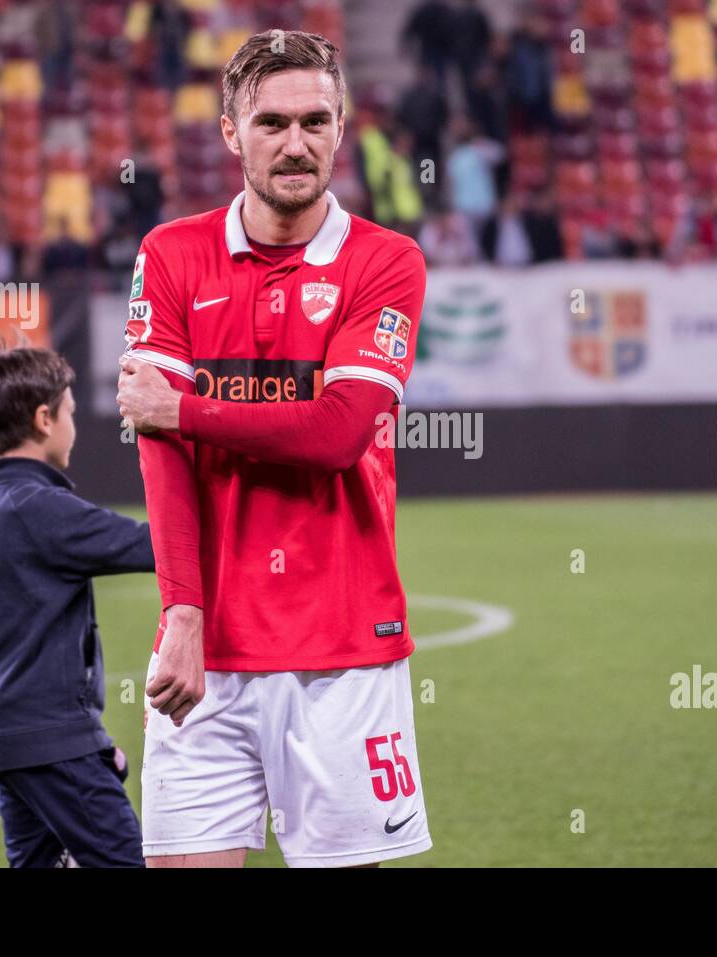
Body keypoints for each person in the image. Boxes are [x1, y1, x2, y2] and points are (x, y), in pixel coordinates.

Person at [115, 30, 432, 869]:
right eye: (272, 123)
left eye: (316, 121)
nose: (297, 143)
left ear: (341, 126)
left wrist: (183, 407)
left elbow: (335, 434)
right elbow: (161, 454)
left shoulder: (387, 261)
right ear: (230, 132)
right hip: (203, 651)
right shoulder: (171, 254)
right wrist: (181, 610)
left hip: (344, 652)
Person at [0, 345, 155, 867]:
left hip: (2, 740)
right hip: (52, 737)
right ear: (44, 420)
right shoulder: (41, 507)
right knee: (123, 862)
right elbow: (156, 547)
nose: (74, 427)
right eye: (71, 413)